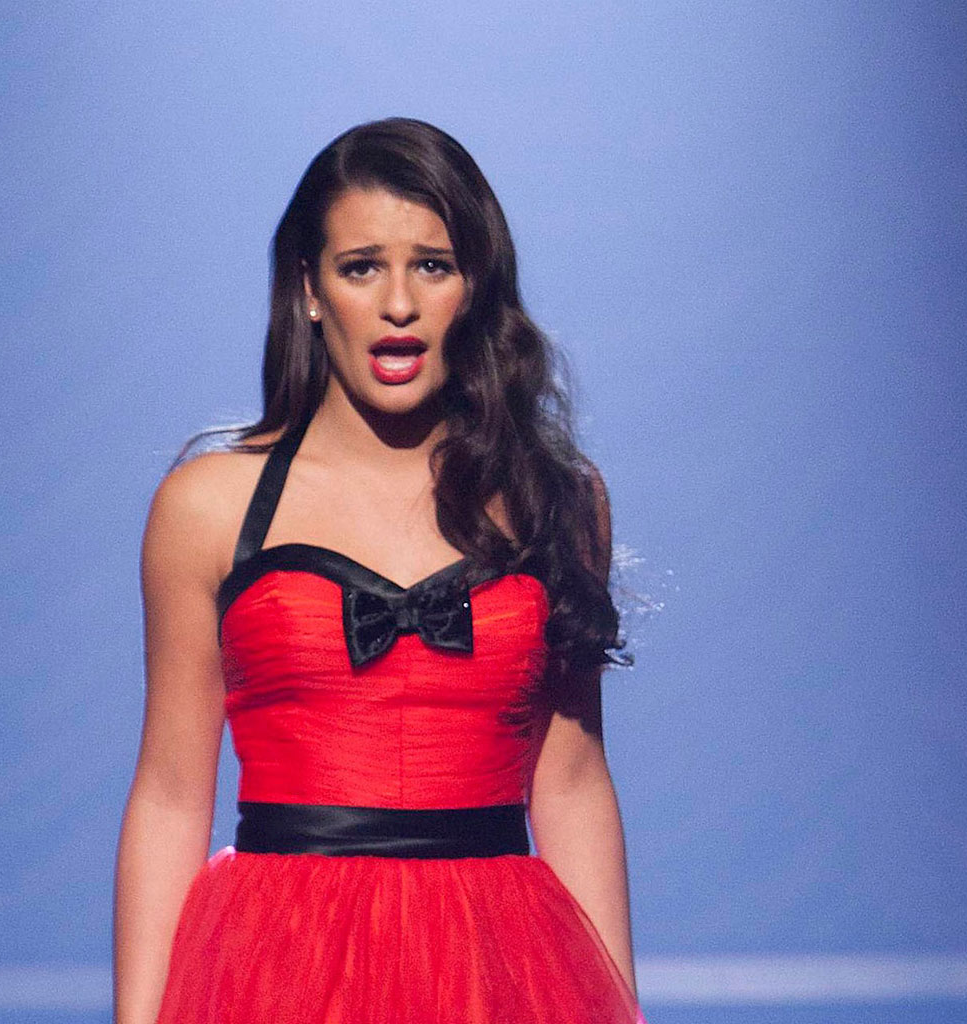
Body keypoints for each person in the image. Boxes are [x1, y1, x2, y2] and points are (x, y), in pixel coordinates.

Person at [115, 117, 644, 1024]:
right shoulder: (208, 508)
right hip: (276, 971)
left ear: (476, 287)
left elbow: (571, 782)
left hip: (495, 972)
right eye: (361, 267)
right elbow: (170, 794)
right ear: (310, 291)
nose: (399, 303)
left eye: (432, 265)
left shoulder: (555, 499)